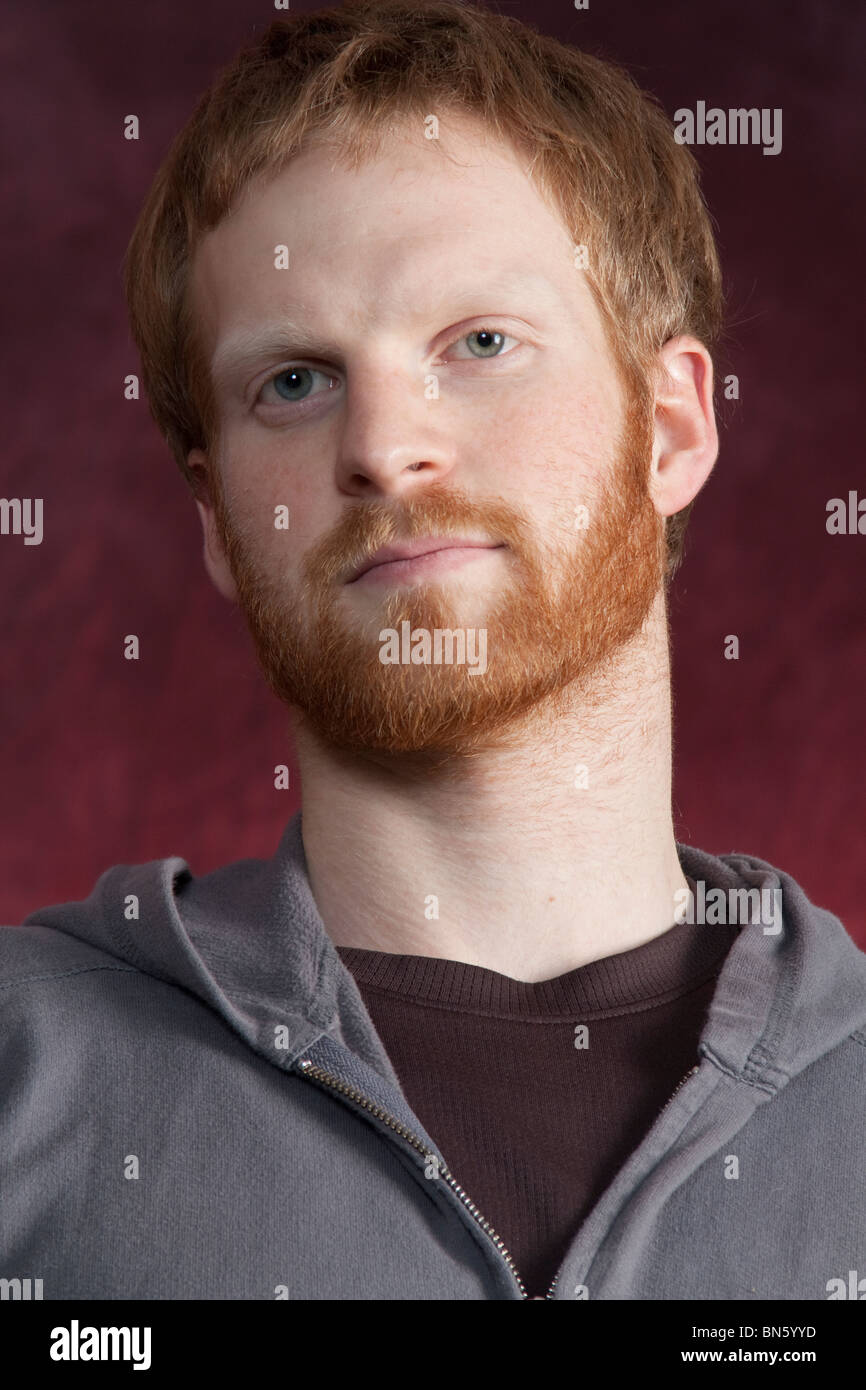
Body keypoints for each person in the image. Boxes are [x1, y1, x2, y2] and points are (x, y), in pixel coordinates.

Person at [2, 0, 863, 1302]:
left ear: (670, 429)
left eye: (478, 343)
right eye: (294, 380)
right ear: (221, 522)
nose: (383, 447)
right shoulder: (22, 1071)